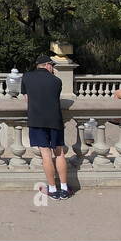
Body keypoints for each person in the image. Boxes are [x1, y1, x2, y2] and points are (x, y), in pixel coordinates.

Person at [21, 54, 71, 200]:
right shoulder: (57, 81)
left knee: (45, 154)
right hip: (54, 120)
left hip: (36, 119)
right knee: (59, 152)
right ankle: (64, 188)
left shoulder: (27, 77)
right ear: (48, 65)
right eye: (53, 66)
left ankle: (53, 189)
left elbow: (27, 98)